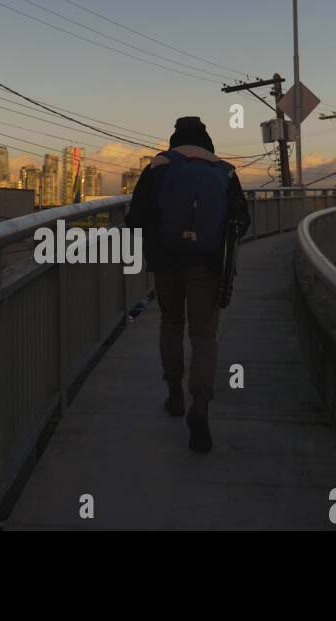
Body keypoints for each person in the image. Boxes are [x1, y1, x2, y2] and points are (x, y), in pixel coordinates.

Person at [126, 116, 251, 453]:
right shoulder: (223, 170)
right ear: (207, 139)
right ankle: (201, 403)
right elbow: (242, 220)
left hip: (167, 263)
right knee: (204, 335)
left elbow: (135, 217)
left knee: (171, 323)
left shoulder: (160, 166)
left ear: (174, 138)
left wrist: (160, 237)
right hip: (207, 266)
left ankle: (174, 394)